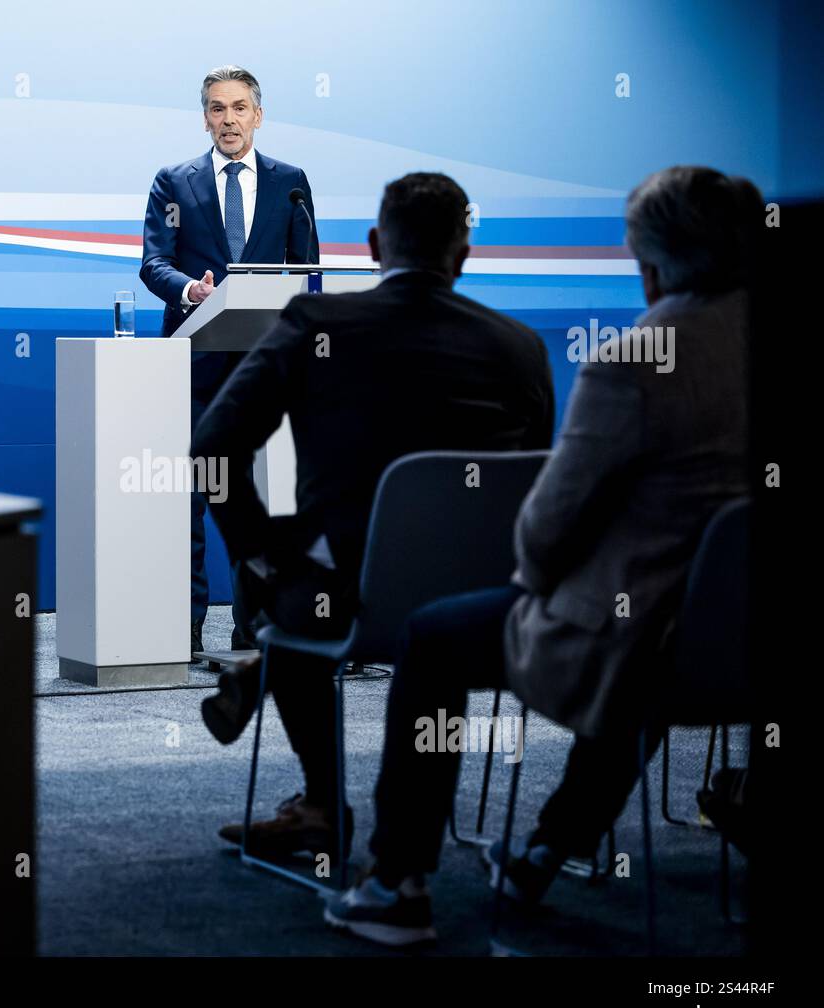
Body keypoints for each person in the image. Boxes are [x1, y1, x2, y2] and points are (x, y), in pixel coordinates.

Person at [324, 166, 761, 947]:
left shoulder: (638, 358)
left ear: (652, 265)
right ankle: (546, 847)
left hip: (643, 636)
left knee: (435, 636)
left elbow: (542, 533)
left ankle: (397, 883)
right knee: (659, 632)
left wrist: (545, 578)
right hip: (743, 641)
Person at [190, 172, 554, 860]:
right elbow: (535, 495)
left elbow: (210, 451)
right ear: (464, 253)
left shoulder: (315, 325)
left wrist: (262, 556)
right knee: (319, 587)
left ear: (374, 245)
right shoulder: (522, 348)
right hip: (483, 607)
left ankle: (322, 804)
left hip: (343, 600)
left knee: (291, 589)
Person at [140, 65, 319, 657]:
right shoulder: (174, 181)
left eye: (239, 108)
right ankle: (184, 628)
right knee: (192, 495)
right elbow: (153, 264)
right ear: (206, 117)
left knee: (266, 502)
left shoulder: (291, 182)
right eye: (217, 109)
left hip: (269, 364)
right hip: (193, 362)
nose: (229, 119)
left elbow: (307, 274)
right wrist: (192, 290)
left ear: (258, 115)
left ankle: (254, 628)